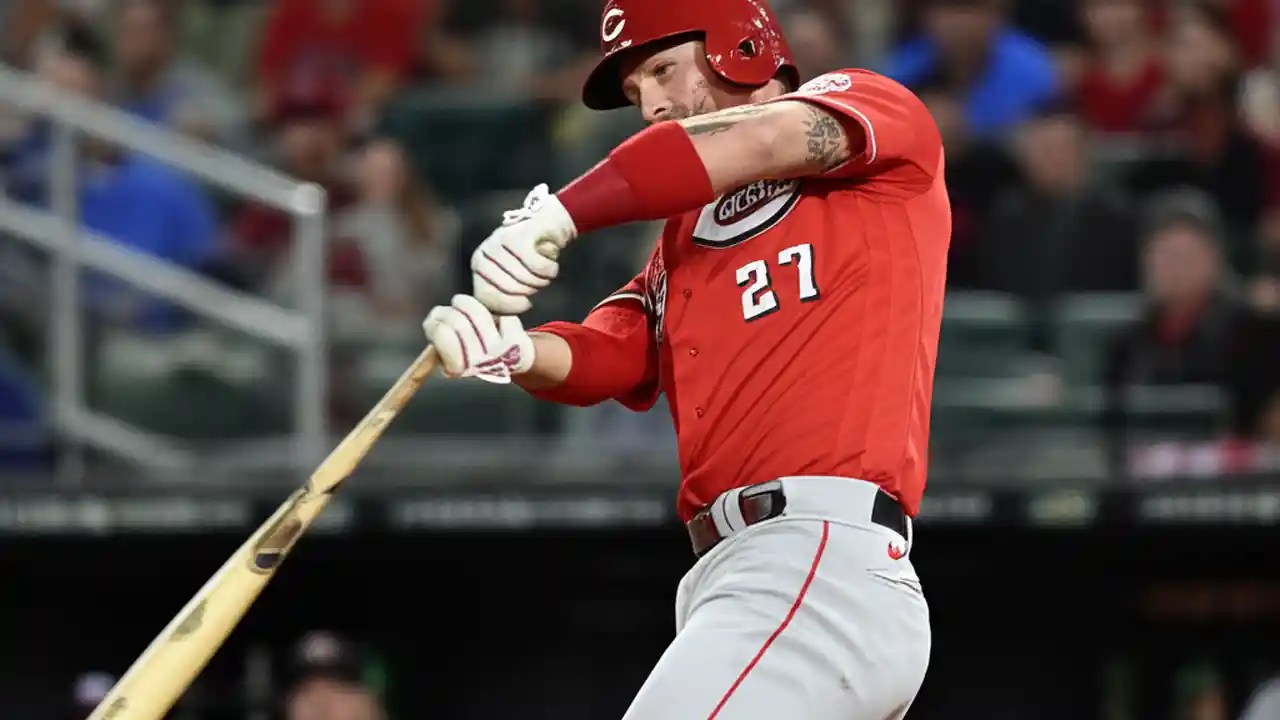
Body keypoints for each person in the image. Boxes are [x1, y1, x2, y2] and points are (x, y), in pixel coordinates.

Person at [422, 0, 948, 717]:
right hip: (741, 575)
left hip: (816, 559)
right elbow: (613, 352)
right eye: (638, 93)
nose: (653, 106)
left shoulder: (868, 107)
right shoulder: (684, 240)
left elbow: (762, 139)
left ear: (741, 46)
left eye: (664, 70)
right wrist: (510, 348)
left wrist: (560, 214)